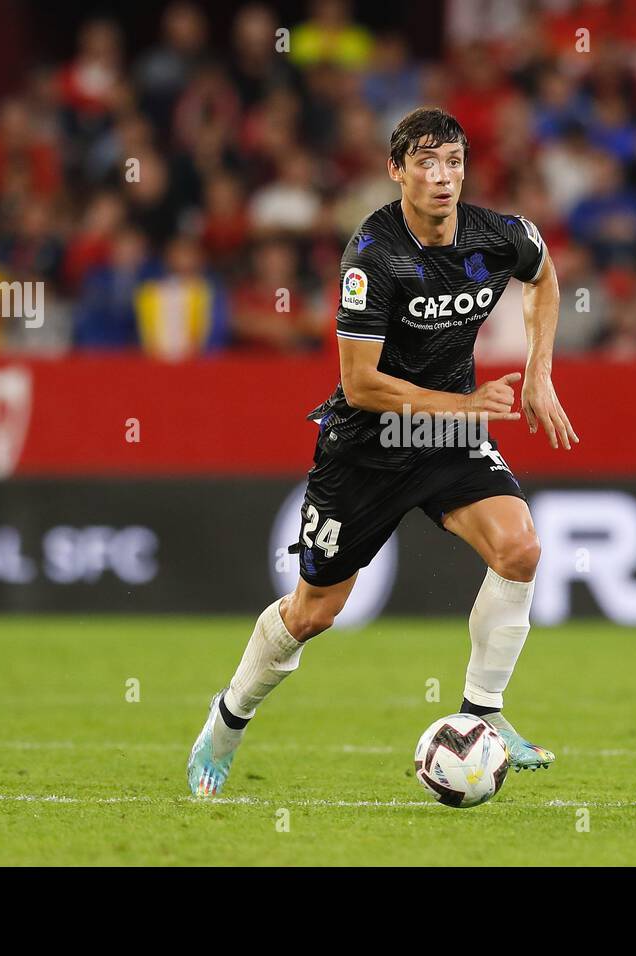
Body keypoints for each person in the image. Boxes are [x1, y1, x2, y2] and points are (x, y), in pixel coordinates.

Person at [187, 106, 579, 796]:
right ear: (396, 171)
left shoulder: (500, 235)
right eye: (425, 163)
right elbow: (360, 384)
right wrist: (467, 405)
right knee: (313, 613)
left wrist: (540, 373)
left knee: (520, 549)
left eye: (453, 162)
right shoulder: (374, 253)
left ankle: (484, 712)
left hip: (444, 437)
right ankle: (227, 719)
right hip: (366, 446)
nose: (443, 177)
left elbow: (544, 278)